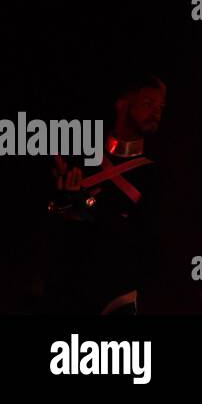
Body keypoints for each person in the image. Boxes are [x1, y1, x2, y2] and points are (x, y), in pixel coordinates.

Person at [44, 75, 167, 314]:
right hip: (70, 297)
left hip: (117, 303)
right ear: (122, 104)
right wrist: (63, 201)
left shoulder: (154, 175)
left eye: (161, 107)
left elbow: (146, 247)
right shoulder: (80, 160)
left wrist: (85, 205)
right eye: (148, 103)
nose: (156, 113)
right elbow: (58, 232)